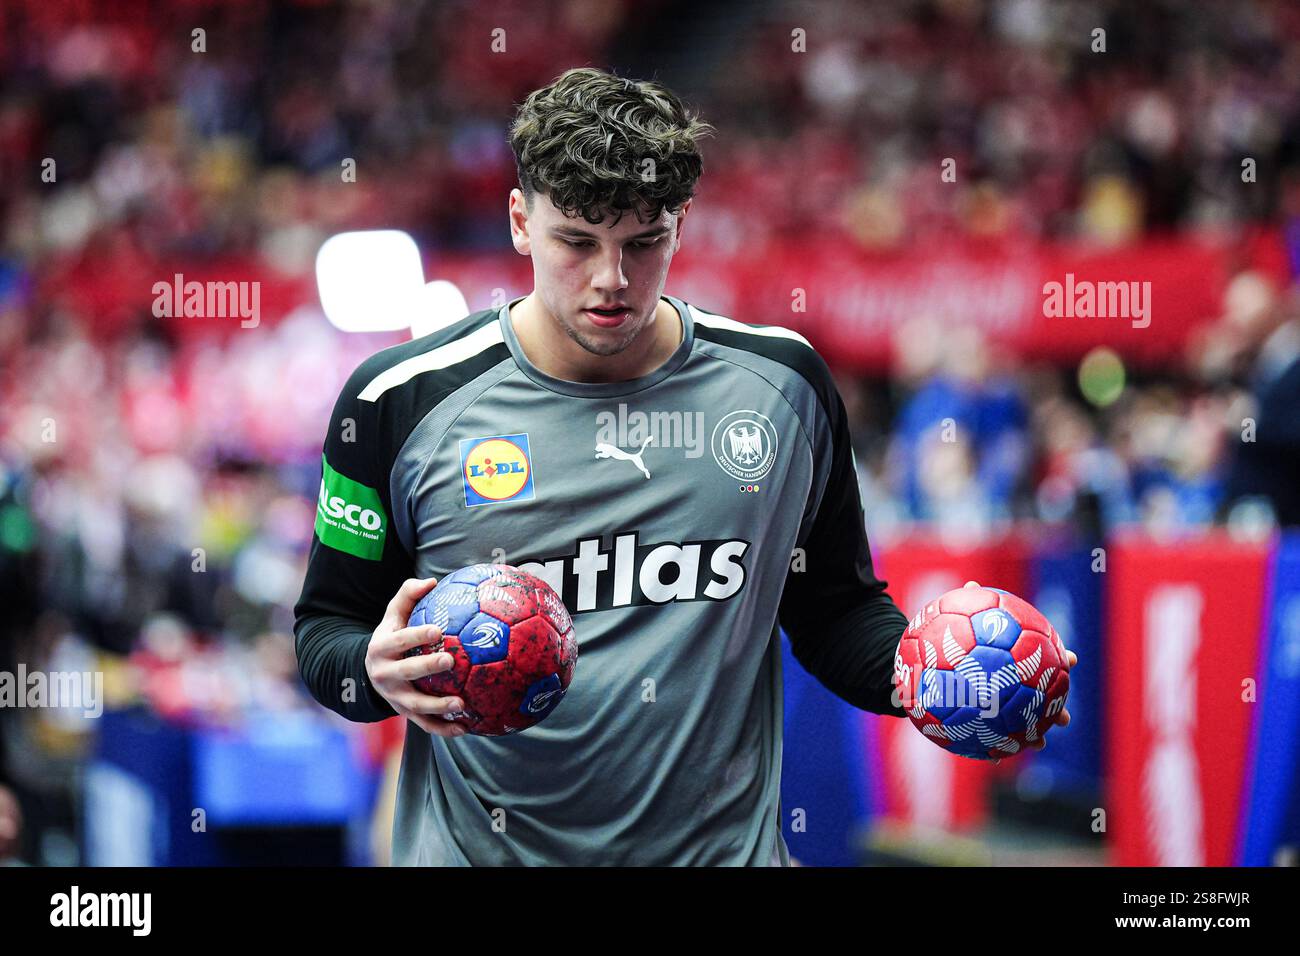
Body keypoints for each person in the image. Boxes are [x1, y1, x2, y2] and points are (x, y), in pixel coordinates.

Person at [293, 67, 1071, 865]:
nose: (611, 280)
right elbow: (325, 634)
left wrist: (934, 675)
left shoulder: (784, 389)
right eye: (577, 242)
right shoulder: (397, 399)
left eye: (642, 243)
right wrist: (373, 670)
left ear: (682, 224)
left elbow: (834, 609)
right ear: (521, 222)